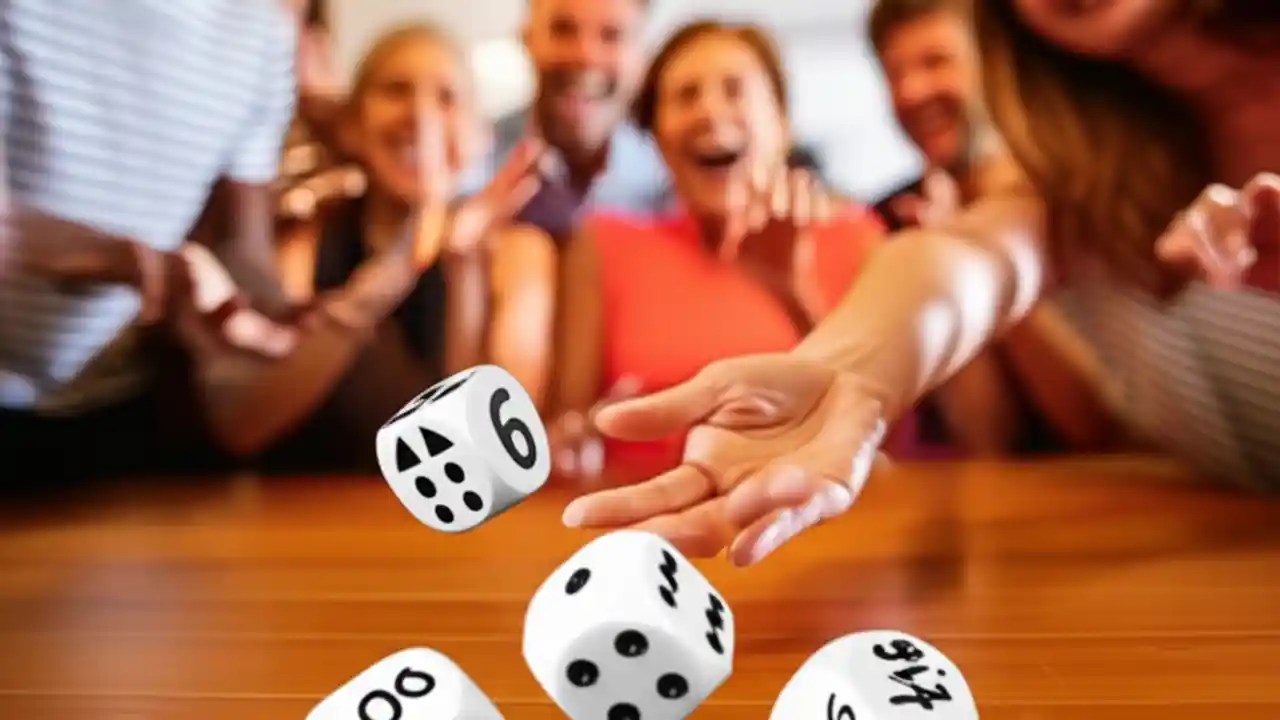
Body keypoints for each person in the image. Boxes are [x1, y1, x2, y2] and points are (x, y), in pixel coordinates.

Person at [558, 0, 1280, 566]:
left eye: (735, 89)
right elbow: (960, 257)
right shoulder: (1078, 169)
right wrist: (847, 368)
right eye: (683, 94)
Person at [173, 24, 552, 470]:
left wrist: (463, 274)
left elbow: (487, 461)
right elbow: (248, 426)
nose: (420, 116)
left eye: (446, 98)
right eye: (396, 90)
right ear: (351, 127)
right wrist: (388, 276)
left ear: (479, 136)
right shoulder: (303, 240)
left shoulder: (519, 252)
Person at [549, 22, 886, 481]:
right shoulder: (604, 244)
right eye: (686, 95)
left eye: (735, 90)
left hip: (812, 522)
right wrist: (574, 438)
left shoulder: (856, 238)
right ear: (657, 139)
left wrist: (791, 289)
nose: (709, 111)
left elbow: (878, 428)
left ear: (782, 124)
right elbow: (570, 423)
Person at [0, 0, 299, 480]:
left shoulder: (262, 34)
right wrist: (128, 261)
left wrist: (289, 319)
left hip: (114, 406)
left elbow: (244, 249)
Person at [868, 0, 1121, 454]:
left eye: (935, 61)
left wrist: (976, 263)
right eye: (894, 74)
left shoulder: (1078, 192)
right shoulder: (889, 221)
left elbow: (1101, 428)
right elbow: (985, 441)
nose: (911, 91)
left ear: (993, 67)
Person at [460, 0, 672, 245]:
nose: (585, 55)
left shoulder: (669, 183)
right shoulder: (469, 162)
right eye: (563, 30)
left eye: (611, 35)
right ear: (527, 38)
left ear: (641, 57)